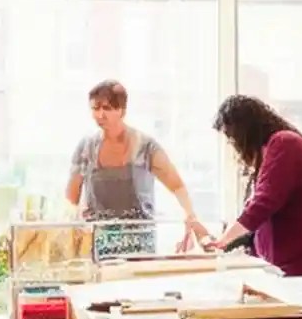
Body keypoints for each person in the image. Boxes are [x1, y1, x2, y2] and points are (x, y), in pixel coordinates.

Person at [205, 94, 302, 276]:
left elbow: (263, 203)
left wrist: (224, 241)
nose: (233, 143)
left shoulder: (284, 144)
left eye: (232, 136)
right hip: (297, 259)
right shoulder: (270, 152)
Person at [65, 78, 211, 256]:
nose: (100, 115)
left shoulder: (145, 146)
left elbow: (177, 185)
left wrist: (191, 216)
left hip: (139, 241)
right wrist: (72, 232)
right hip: (98, 241)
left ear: (122, 111)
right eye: (95, 108)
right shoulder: (86, 148)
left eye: (107, 108)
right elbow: (71, 198)